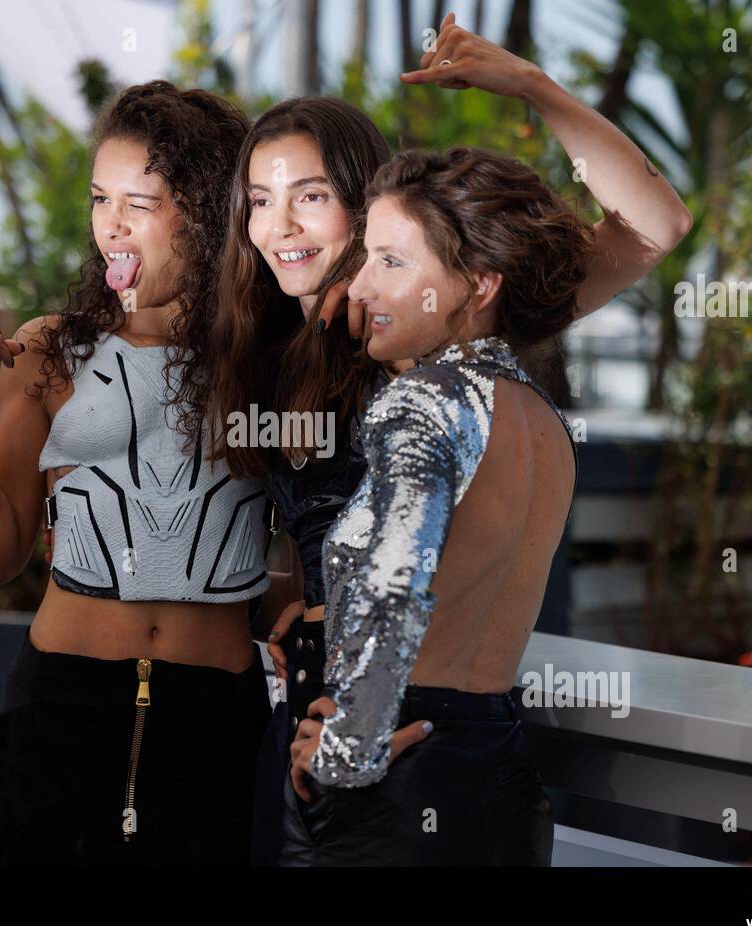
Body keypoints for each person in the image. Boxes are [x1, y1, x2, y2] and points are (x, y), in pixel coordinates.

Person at [205, 13, 691, 865]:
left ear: (368, 204)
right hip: (341, 719)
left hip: (383, 736)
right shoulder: (270, 353)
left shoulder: (441, 324)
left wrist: (531, 87)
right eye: (258, 199)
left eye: (310, 195)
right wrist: (296, 601)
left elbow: (655, 221)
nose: (278, 224)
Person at [0, 81, 279, 866]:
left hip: (212, 725)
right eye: (100, 198)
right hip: (60, 709)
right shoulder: (49, 351)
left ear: (207, 214)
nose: (111, 223)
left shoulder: (268, 361)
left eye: (139, 203)